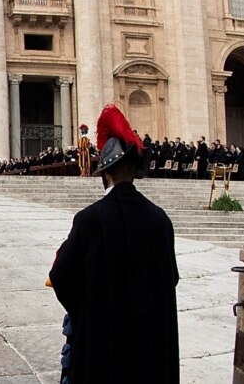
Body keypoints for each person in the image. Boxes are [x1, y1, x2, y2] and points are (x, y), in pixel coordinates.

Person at [49, 104, 179, 383]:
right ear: (134, 171)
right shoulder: (161, 220)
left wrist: (89, 307)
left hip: (102, 346)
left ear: (105, 173)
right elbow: (172, 279)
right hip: (149, 349)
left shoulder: (89, 219)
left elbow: (60, 276)